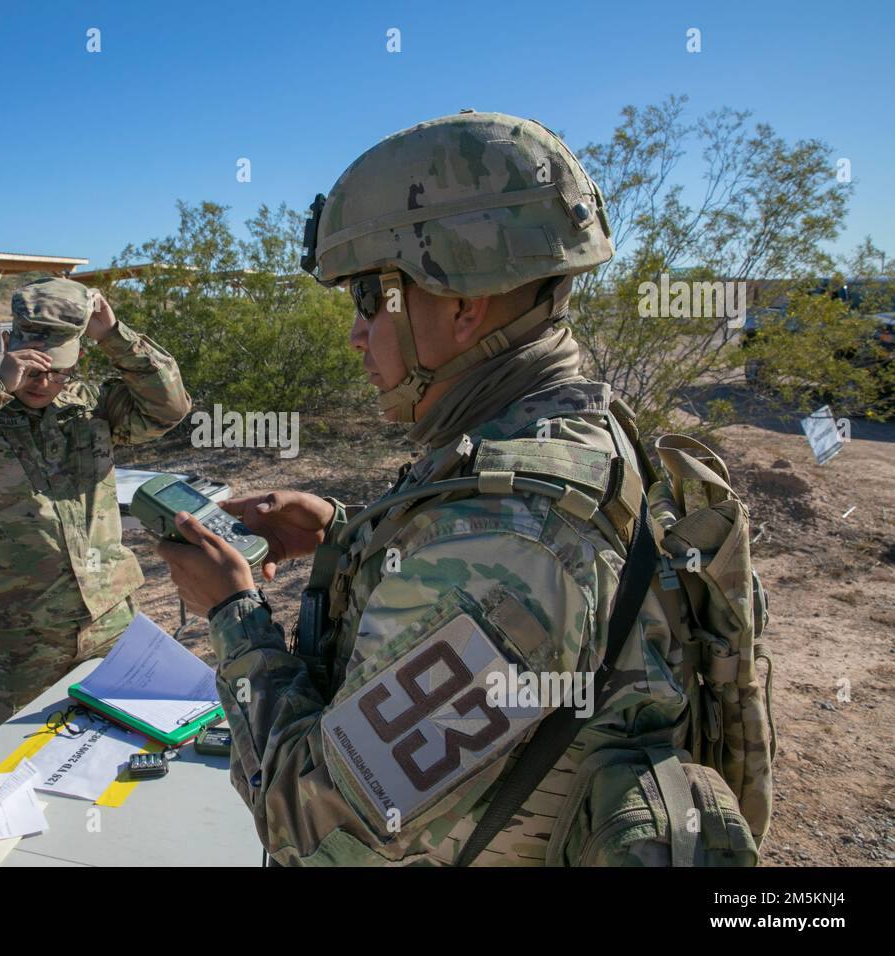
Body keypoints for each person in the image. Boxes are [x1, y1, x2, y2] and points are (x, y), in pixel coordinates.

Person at [157, 111, 762, 866]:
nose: (355, 334)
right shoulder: (575, 430)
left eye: (369, 300)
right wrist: (346, 532)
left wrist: (233, 616)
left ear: (461, 305)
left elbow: (315, 824)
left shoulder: (507, 544)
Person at [0, 275, 191, 742]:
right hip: (17, 641)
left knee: (127, 749)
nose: (43, 380)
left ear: (79, 358)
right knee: (8, 763)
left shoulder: (92, 408)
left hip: (109, 622)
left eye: (58, 368)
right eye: (31, 366)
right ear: (7, 345)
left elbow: (169, 408)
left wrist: (115, 335)